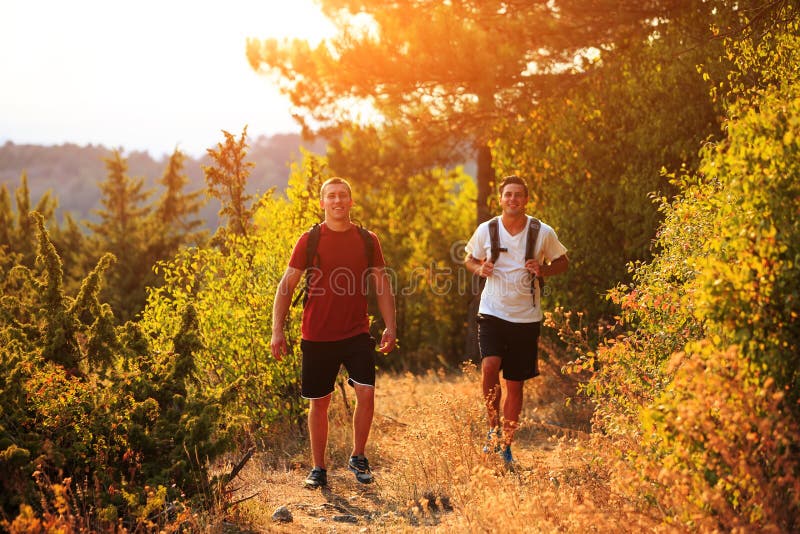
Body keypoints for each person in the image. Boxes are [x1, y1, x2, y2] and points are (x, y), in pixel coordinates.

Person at [270, 177, 397, 489]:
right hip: (317, 334)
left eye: (343, 196)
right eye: (332, 196)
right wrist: (277, 331)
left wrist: (391, 327)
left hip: (356, 332)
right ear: (323, 202)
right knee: (320, 403)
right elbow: (286, 287)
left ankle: (358, 456)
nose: (338, 201)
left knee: (366, 392)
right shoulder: (310, 240)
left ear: (351, 201)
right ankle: (318, 468)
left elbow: (382, 285)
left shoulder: (368, 240)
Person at [464, 175, 568, 466]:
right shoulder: (487, 230)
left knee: (515, 384)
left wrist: (543, 270)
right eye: (508, 194)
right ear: (500, 199)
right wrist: (479, 268)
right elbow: (469, 259)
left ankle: (506, 445)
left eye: (518, 195)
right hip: (492, 310)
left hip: (526, 317)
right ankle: (491, 429)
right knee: (489, 366)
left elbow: (564, 262)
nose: (513, 199)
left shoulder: (541, 231)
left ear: (526, 199)